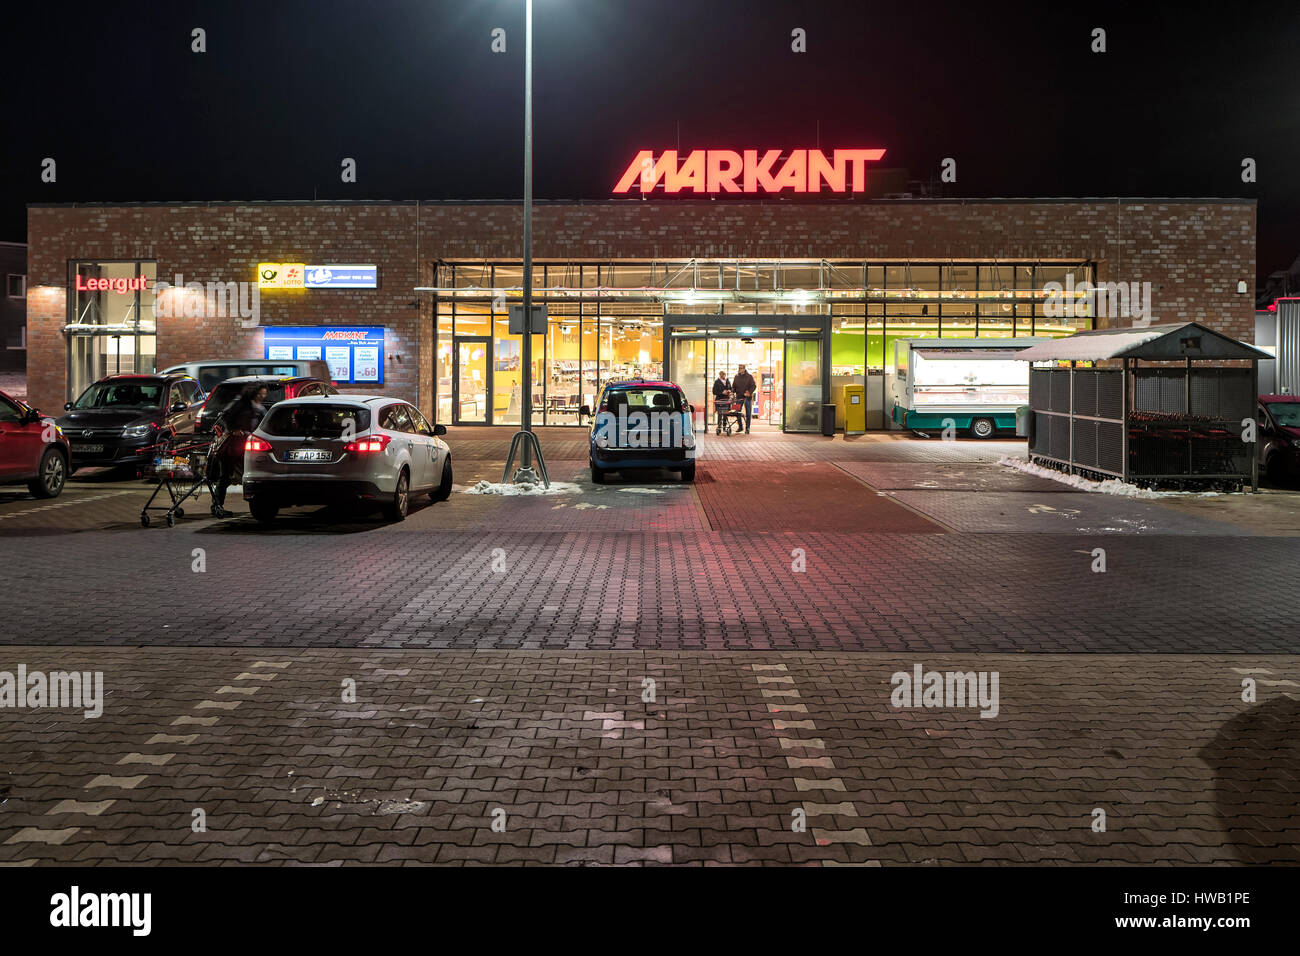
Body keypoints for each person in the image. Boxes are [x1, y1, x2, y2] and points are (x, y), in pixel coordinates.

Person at [209, 383, 268, 517]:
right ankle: (217, 506)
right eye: (260, 394)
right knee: (225, 476)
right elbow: (224, 418)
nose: (263, 396)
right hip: (233, 445)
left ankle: (260, 506)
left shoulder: (260, 409)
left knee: (253, 475)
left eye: (264, 394)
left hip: (248, 445)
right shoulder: (241, 405)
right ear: (253, 393)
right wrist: (234, 430)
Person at [731, 364, 757, 433]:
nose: (739, 369)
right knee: (737, 412)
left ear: (744, 369)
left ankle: (747, 428)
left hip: (747, 398)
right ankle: (740, 427)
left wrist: (749, 392)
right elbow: (733, 386)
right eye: (739, 368)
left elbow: (754, 386)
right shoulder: (736, 377)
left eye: (741, 368)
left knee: (748, 413)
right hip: (739, 397)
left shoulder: (749, 377)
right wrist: (732, 391)